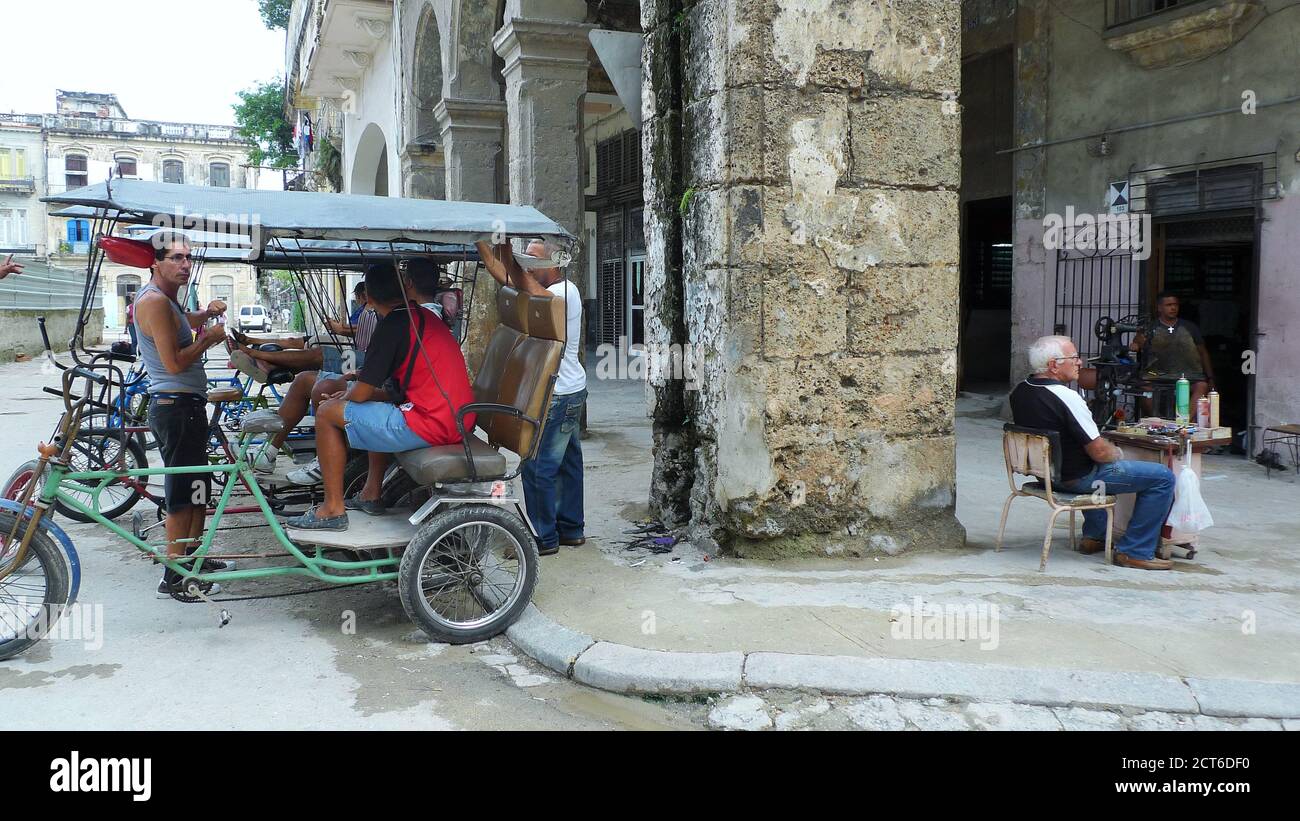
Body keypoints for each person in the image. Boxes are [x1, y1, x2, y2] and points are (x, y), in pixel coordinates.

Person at [286, 263, 474, 530]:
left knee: (328, 412)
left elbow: (361, 393)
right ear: (405, 289)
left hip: (432, 423)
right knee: (369, 404)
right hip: (452, 418)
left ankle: (332, 509)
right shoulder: (421, 317)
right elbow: (388, 389)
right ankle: (371, 492)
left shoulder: (393, 326)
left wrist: (346, 396)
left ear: (369, 300)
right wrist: (353, 393)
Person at [1009, 335, 1176, 570]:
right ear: (1053, 365)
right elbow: (1099, 452)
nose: (1080, 363)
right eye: (1074, 358)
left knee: (1088, 460)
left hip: (1045, 474)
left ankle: (1094, 536)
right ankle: (1135, 550)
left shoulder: (1021, 390)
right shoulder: (1067, 397)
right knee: (1162, 477)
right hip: (1074, 479)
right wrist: (1119, 453)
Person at [132, 232, 234, 596]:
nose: (185, 264)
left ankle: (192, 556)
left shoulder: (168, 302)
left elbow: (180, 323)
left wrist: (204, 314)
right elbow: (173, 364)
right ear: (155, 263)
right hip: (174, 406)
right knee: (181, 493)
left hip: (186, 406)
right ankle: (174, 577)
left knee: (197, 488)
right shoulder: (155, 302)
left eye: (187, 258)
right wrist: (208, 340)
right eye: (176, 258)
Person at [476, 239, 586, 556]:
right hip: (565, 389)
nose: (528, 266)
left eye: (534, 259)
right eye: (526, 259)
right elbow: (510, 279)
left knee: (538, 466)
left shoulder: (565, 292)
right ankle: (571, 529)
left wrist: (511, 260)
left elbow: (529, 288)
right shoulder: (543, 288)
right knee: (566, 464)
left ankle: (545, 536)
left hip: (559, 393)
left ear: (555, 263)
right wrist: (489, 248)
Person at [1129, 291, 1216, 416]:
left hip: (1188, 376)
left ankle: (1184, 422)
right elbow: (1137, 343)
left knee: (1202, 386)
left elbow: (1203, 353)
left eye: (1175, 304)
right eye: (1168, 305)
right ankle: (1156, 423)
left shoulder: (1190, 327)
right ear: (1159, 308)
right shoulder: (1149, 327)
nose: (1173, 308)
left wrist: (1210, 378)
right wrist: (1136, 345)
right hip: (1156, 376)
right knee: (1145, 387)